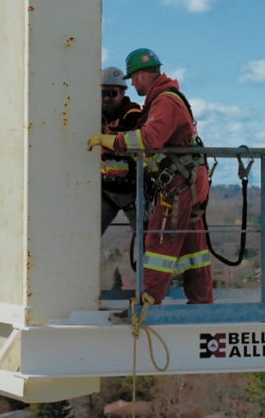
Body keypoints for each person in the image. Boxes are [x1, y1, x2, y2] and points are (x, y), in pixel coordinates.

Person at [86, 49, 213, 307]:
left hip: (178, 184)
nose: (133, 84)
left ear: (142, 75)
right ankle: (201, 302)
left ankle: (147, 306)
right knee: (192, 247)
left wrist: (108, 140)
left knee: (158, 242)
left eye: (133, 79)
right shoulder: (163, 99)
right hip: (186, 181)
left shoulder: (165, 101)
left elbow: (148, 139)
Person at [99, 67, 142, 235]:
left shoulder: (133, 112)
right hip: (106, 190)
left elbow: (131, 130)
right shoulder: (94, 113)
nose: (106, 98)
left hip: (132, 189)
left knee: (145, 238)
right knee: (88, 234)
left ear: (123, 93)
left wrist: (107, 132)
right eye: (103, 93)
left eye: (112, 93)